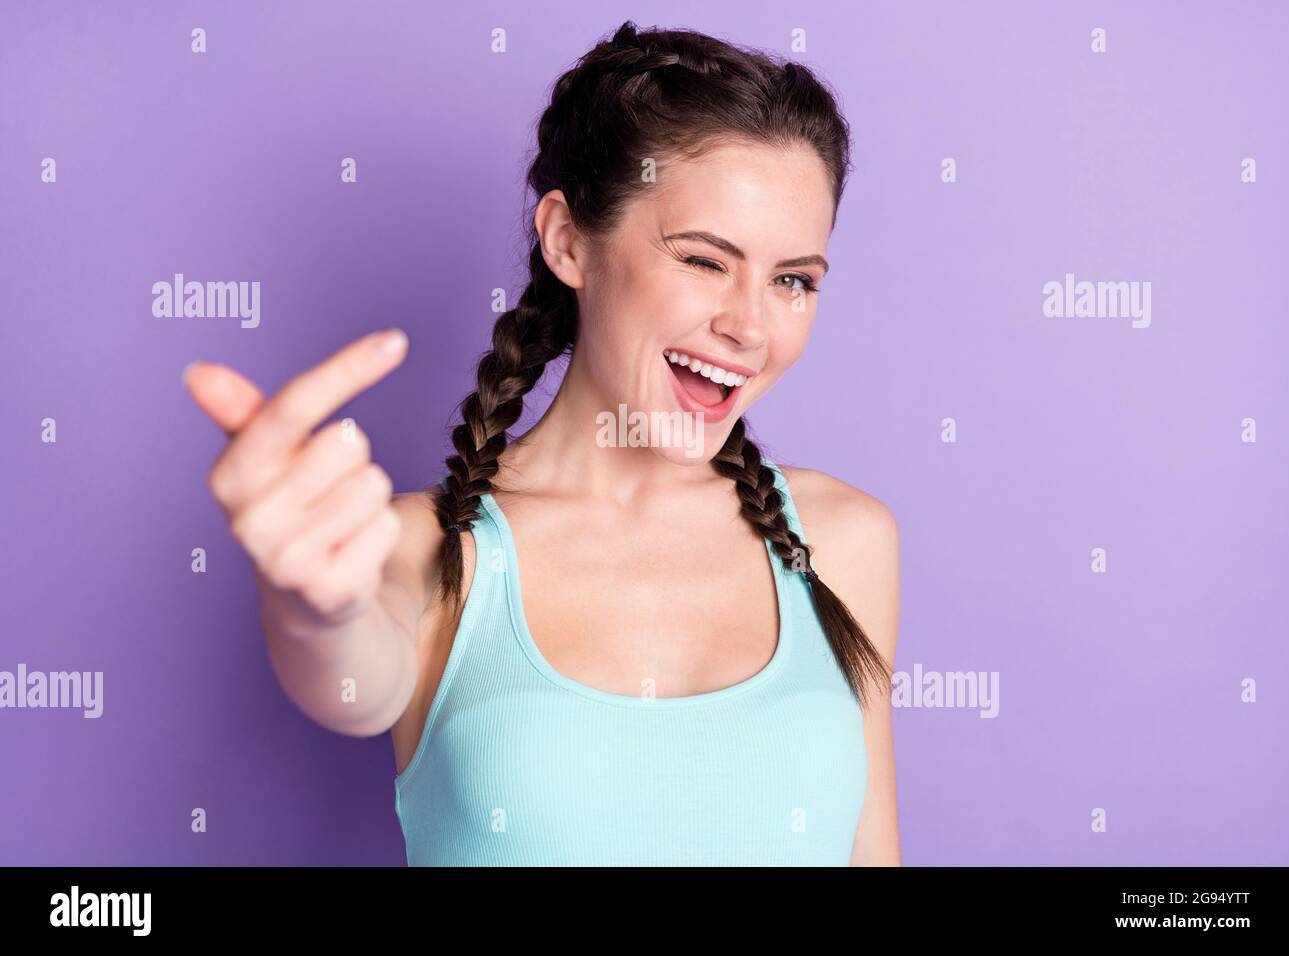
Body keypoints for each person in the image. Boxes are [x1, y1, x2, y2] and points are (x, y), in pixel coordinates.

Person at [184, 20, 901, 866]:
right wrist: (314, 607)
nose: (750, 326)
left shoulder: (845, 542)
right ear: (567, 241)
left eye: (792, 280)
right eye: (705, 261)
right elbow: (352, 683)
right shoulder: (424, 549)